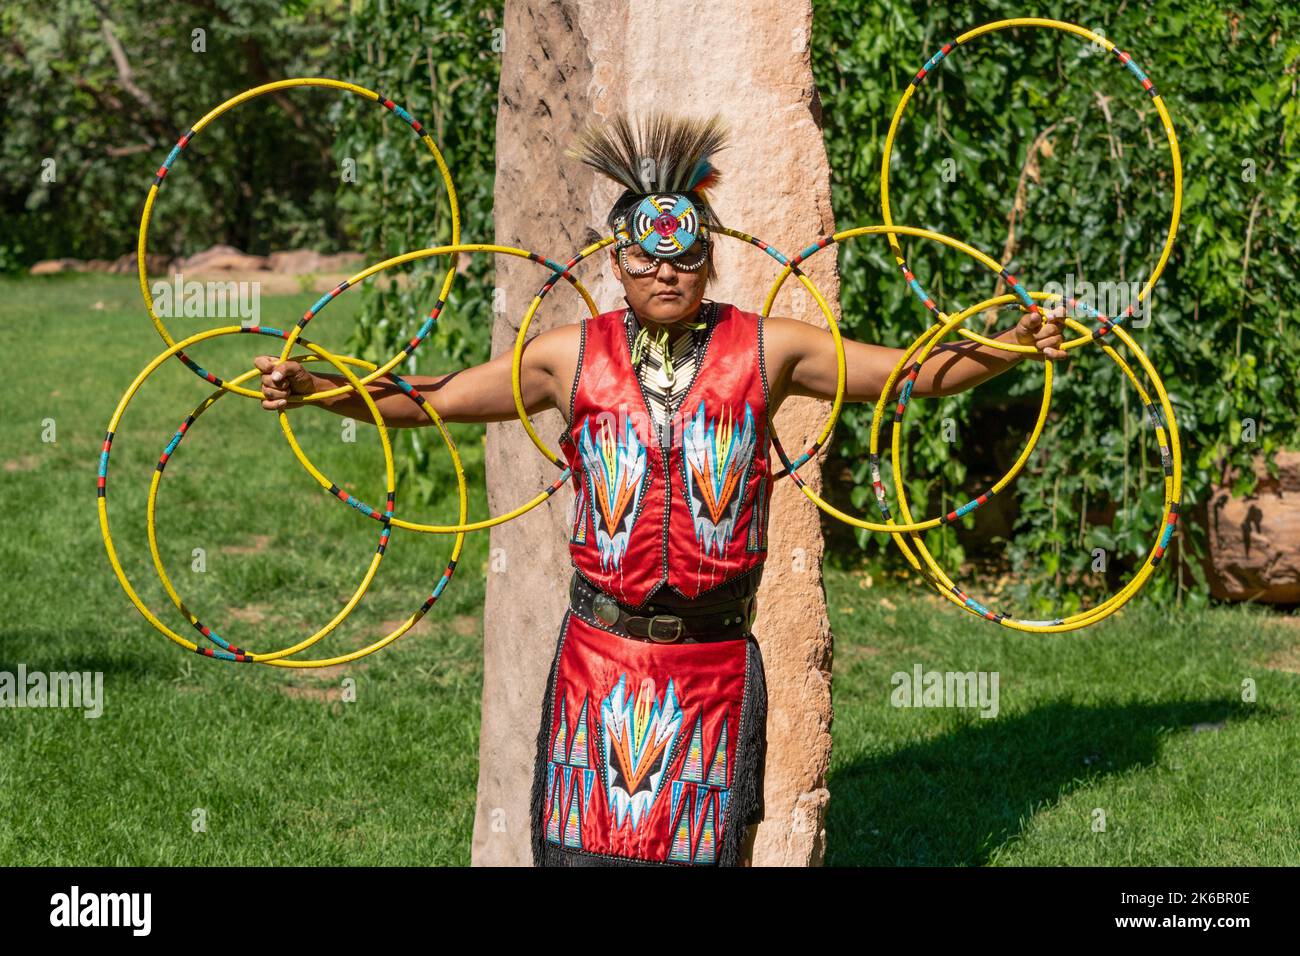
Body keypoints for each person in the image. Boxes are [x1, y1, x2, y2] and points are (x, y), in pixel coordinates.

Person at [251, 111, 1067, 866]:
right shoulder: (566, 356)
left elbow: (913, 377)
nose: (667, 269)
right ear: (617, 261)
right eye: (647, 254)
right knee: (579, 859)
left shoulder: (769, 348)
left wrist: (1008, 345)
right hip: (598, 660)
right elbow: (433, 399)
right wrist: (319, 386)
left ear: (711, 255)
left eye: (685, 253)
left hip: (712, 663)